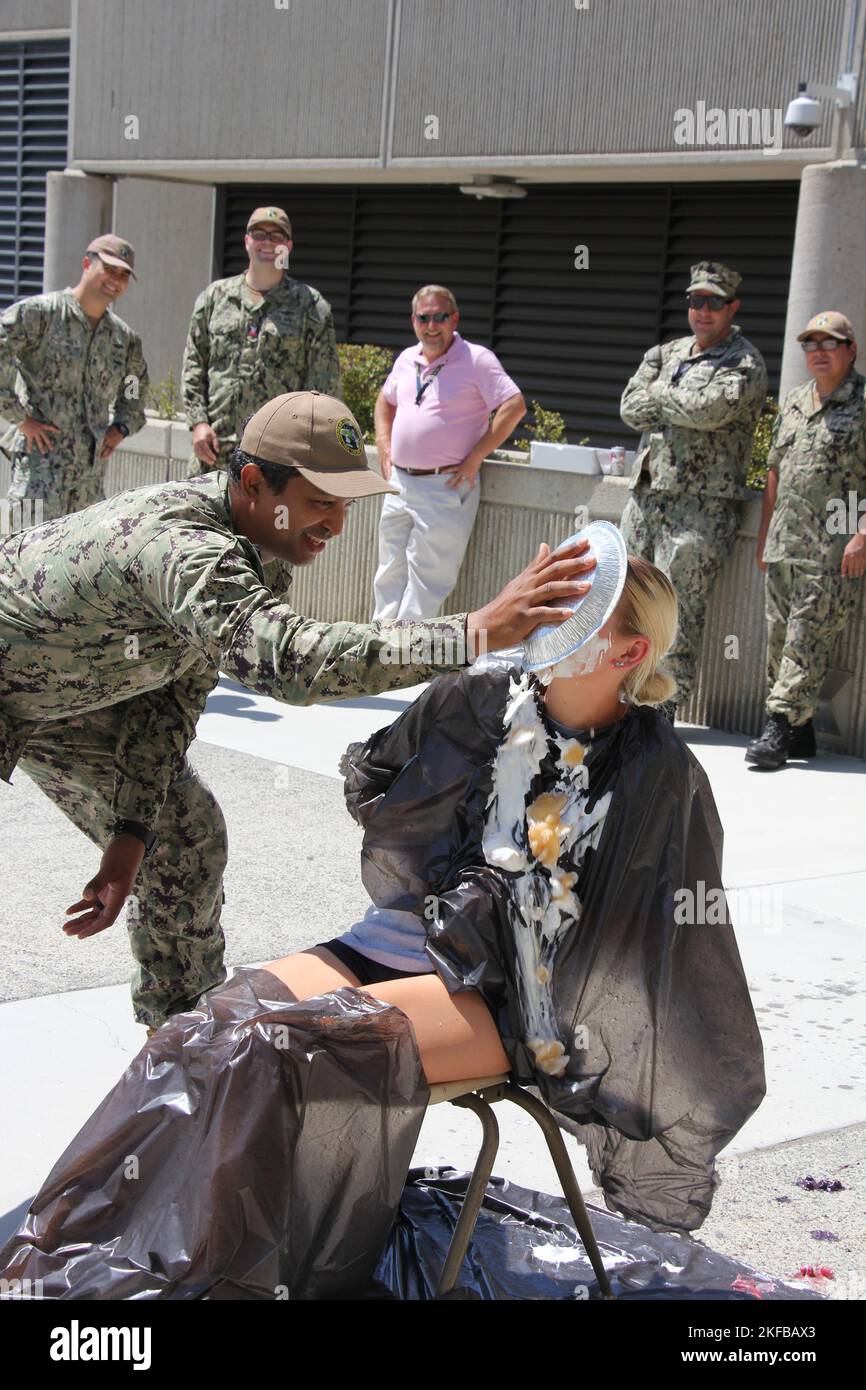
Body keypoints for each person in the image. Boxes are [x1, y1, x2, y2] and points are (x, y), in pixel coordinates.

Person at [0, 530, 765, 1297]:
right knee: (197, 1032)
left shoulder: (654, 772)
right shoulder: (480, 699)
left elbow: (652, 940)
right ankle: (65, 1245)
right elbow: (376, 784)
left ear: (630, 652)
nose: (542, 621)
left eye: (574, 614)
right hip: (400, 944)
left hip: (513, 998)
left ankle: (223, 1278)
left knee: (273, 1051)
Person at [0, 389, 595, 1029]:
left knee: (185, 839)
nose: (336, 524)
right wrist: (472, 631)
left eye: (345, 505)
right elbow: (289, 661)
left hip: (69, 701)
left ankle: (182, 1045)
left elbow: (169, 700)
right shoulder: (181, 548)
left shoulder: (261, 548)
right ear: (255, 483)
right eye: (319, 502)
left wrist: (130, 836)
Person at [619, 261, 768, 718]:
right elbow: (629, 407)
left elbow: (710, 410)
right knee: (627, 598)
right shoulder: (666, 352)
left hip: (701, 508)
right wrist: (678, 401)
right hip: (647, 499)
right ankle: (620, 697)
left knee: (677, 608)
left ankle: (661, 711)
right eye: (696, 301)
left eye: (714, 303)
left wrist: (659, 394)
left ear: (732, 308)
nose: (703, 311)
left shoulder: (743, 362)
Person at [749, 311, 866, 769]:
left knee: (806, 638)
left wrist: (862, 534)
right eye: (811, 344)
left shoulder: (863, 402)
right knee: (779, 638)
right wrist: (764, 534)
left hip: (834, 547)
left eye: (829, 343)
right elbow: (775, 469)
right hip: (785, 542)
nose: (819, 352)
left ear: (850, 350)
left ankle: (778, 726)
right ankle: (801, 733)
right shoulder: (796, 399)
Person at [372, 284, 526, 619]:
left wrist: (476, 456)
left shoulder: (477, 359)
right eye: (424, 318)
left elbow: (514, 405)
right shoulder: (407, 358)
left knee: (427, 579)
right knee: (388, 569)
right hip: (399, 482)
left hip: (445, 484)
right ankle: (377, 642)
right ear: (413, 321)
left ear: (454, 319)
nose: (431, 326)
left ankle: (406, 649)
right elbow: (385, 401)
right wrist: (384, 445)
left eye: (440, 317)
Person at [182, 205, 341, 475]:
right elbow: (194, 365)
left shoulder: (311, 306)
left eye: (276, 236)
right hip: (213, 456)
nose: (267, 243)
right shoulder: (215, 298)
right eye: (259, 234)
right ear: (247, 241)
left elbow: (323, 388)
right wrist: (198, 423)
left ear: (288, 246)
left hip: (275, 462)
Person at [0, 234, 148, 522]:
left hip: (88, 484)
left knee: (84, 551)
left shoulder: (123, 338)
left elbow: (133, 384)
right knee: (21, 547)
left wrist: (121, 426)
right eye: (109, 269)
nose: (115, 280)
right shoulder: (41, 314)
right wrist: (19, 417)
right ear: (86, 264)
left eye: (123, 275)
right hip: (37, 473)